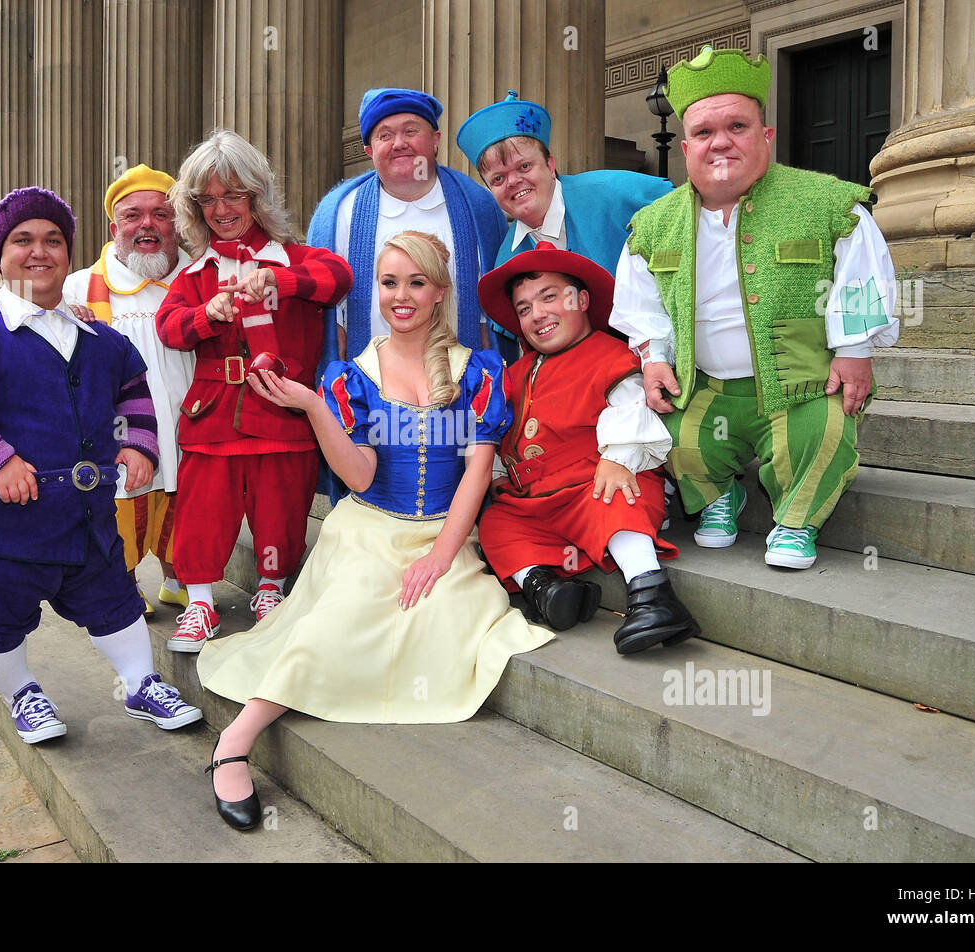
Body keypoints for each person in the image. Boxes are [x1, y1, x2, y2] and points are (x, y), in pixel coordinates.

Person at [196, 231, 553, 831]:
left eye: (416, 283)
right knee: (344, 614)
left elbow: (476, 473)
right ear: (376, 291)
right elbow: (359, 476)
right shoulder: (350, 376)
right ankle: (236, 740)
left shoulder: (479, 370)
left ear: (440, 293)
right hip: (369, 526)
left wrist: (440, 556)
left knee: (450, 614)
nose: (402, 295)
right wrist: (313, 407)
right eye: (390, 283)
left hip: (446, 530)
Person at [0, 186, 202, 743]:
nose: (39, 251)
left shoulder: (103, 342)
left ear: (69, 256)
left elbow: (134, 394)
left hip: (85, 524)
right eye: (22, 241)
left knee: (116, 604)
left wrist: (139, 447)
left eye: (52, 241)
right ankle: (21, 691)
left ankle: (141, 682)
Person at [611, 47, 900, 570]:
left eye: (737, 126)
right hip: (706, 385)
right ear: (686, 147)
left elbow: (861, 273)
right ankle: (719, 497)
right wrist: (654, 356)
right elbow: (641, 302)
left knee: (824, 432)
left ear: (765, 136)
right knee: (671, 435)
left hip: (801, 383)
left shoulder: (828, 203)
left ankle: (794, 521)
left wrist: (854, 349)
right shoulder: (652, 225)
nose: (720, 142)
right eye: (703, 132)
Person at [155, 130, 354, 648]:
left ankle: (272, 587)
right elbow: (169, 327)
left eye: (234, 194)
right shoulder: (193, 274)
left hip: (282, 415)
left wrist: (279, 282)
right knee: (203, 512)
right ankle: (200, 603)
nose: (222, 208)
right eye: (209, 199)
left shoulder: (297, 257)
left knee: (281, 509)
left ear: (257, 195)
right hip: (212, 419)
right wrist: (206, 314)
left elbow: (338, 278)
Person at [476, 243, 698, 654]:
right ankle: (546, 588)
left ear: (581, 300)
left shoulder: (610, 355)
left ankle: (652, 595)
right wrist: (499, 475)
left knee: (614, 499)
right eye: (524, 309)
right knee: (496, 525)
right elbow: (503, 432)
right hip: (537, 500)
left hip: (594, 481)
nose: (537, 314)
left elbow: (632, 408)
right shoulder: (516, 373)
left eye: (549, 297)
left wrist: (616, 460)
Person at [62, 164, 195, 618]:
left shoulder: (199, 277)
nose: (147, 226)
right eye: (133, 215)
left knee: (187, 502)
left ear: (177, 223)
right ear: (114, 227)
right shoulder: (79, 286)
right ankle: (127, 583)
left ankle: (183, 582)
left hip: (189, 421)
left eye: (161, 214)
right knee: (123, 508)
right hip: (122, 429)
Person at [307, 87, 509, 366]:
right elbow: (333, 318)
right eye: (385, 135)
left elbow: (491, 315)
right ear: (369, 150)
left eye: (411, 131)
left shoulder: (478, 206)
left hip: (460, 387)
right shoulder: (340, 211)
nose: (399, 143)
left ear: (435, 140)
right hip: (370, 389)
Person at [456, 91, 673, 273]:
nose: (513, 181)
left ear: (550, 165)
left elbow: (686, 216)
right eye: (498, 178)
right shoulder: (506, 262)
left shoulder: (618, 193)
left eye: (524, 167)